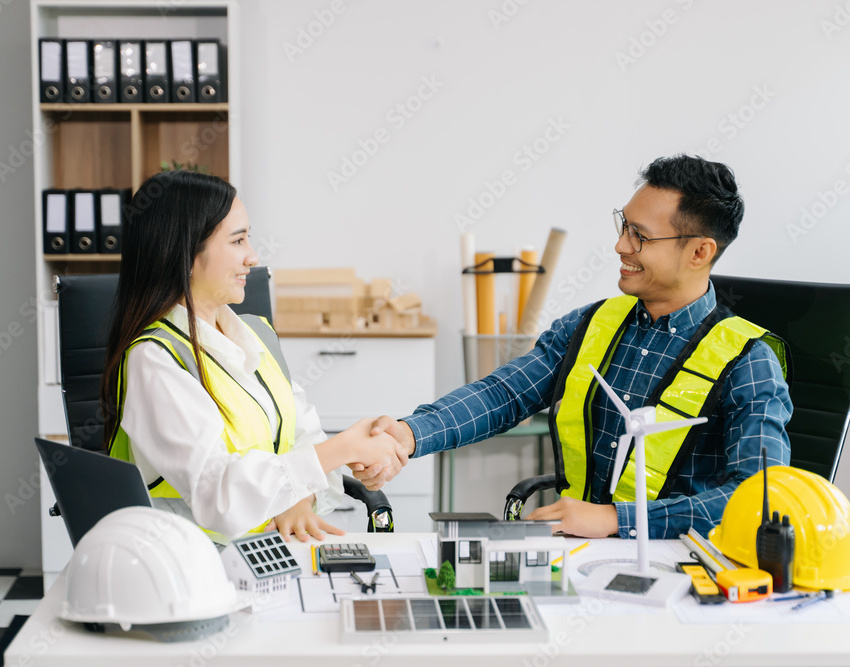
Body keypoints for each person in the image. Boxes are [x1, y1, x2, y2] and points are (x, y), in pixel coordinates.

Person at [357, 154, 792, 540]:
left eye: (640, 235)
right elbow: (505, 394)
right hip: (575, 553)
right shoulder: (592, 325)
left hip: (679, 568)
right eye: (624, 225)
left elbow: (759, 497)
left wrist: (616, 520)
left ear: (699, 252)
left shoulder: (749, 362)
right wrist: (411, 433)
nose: (621, 245)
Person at [101, 170, 406, 543]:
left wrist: (300, 496)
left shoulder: (255, 334)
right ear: (186, 253)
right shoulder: (156, 360)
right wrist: (343, 448)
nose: (252, 256)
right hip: (191, 562)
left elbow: (302, 436)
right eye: (238, 240)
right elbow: (217, 497)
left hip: (271, 548)